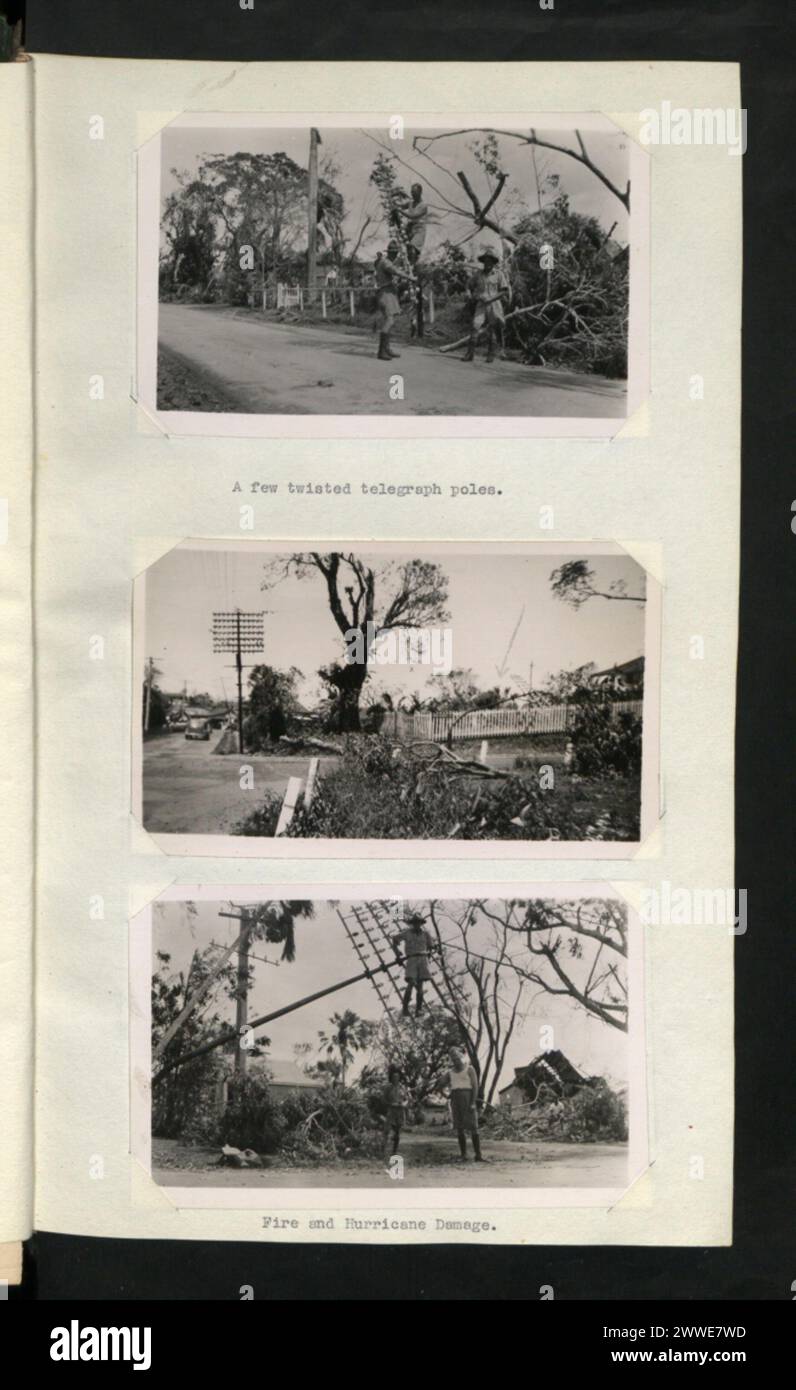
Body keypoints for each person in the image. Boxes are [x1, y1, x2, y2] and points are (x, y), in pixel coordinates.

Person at [464, 248, 511, 363]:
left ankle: (491, 354)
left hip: (494, 303)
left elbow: (504, 290)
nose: (488, 263)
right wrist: (468, 293)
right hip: (481, 303)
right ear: (483, 262)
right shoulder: (478, 274)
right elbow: (468, 285)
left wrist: (491, 298)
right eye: (486, 261)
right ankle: (470, 354)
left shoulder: (499, 274)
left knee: (493, 328)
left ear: (494, 263)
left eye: (490, 261)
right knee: (475, 326)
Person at [445, 1048, 487, 1162]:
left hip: (468, 1098)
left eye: (457, 1058)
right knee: (459, 1128)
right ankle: (464, 1155)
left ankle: (478, 1155)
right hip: (455, 1099)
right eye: (453, 1059)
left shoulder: (470, 1069)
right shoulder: (450, 1072)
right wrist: (447, 1095)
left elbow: (475, 1087)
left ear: (461, 1057)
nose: (456, 1061)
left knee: (473, 1126)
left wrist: (473, 1102)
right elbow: (441, 1083)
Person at [374, 240, 413, 361]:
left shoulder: (386, 261)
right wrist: (410, 277)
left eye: (396, 253)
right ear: (389, 252)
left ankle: (387, 349)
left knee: (390, 320)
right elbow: (395, 271)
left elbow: (396, 268)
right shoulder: (385, 262)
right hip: (385, 293)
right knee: (390, 320)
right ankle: (381, 351)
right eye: (394, 253)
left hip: (388, 293)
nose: (395, 255)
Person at [392, 910, 434, 1017]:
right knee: (411, 983)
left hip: (423, 960)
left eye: (418, 922)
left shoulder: (426, 934)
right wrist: (397, 953)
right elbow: (395, 939)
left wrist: (429, 954)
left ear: (421, 923)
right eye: (415, 922)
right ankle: (405, 1008)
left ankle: (418, 1010)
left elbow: (431, 946)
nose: (417, 924)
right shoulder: (407, 933)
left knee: (420, 987)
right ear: (412, 923)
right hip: (412, 959)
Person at [382, 1064, 407, 1162]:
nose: (395, 1078)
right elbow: (383, 1100)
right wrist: (391, 1103)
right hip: (391, 1111)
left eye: (397, 1077)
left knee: (397, 1132)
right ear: (391, 1078)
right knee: (387, 1130)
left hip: (400, 1111)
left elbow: (407, 1099)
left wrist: (404, 1104)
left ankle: (394, 1151)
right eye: (393, 1077)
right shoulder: (388, 1088)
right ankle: (383, 1150)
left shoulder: (402, 1087)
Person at [403, 182, 429, 265]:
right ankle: (409, 266)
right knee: (408, 250)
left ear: (420, 192)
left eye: (414, 192)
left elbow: (412, 216)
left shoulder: (423, 205)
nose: (413, 194)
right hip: (410, 229)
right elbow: (401, 206)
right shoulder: (411, 203)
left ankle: (412, 268)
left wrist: (399, 210)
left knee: (413, 248)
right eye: (412, 192)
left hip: (419, 229)